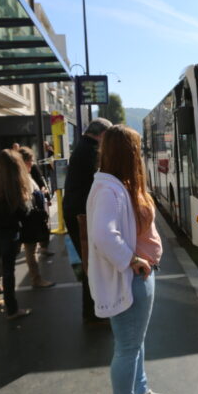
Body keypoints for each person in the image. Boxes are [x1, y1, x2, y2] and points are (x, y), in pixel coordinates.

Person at [87, 125, 171, 394]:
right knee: (127, 347)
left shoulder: (117, 185)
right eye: (137, 149)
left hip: (140, 274)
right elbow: (102, 234)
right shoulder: (110, 190)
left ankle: (141, 392)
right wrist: (132, 260)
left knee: (136, 343)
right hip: (133, 277)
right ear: (129, 153)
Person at [63, 118, 113, 324]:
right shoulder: (91, 151)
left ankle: (92, 311)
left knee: (89, 262)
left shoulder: (82, 146)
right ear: (101, 135)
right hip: (81, 215)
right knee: (91, 263)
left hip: (75, 211)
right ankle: (93, 314)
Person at [0, 149, 32, 320]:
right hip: (8, 231)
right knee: (8, 270)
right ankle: (12, 308)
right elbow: (22, 210)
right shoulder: (14, 180)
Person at [17, 147, 54, 289]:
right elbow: (26, 198)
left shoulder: (24, 174)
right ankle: (36, 279)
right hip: (27, 221)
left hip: (27, 220)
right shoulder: (21, 177)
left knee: (22, 252)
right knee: (29, 252)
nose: (32, 164)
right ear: (24, 162)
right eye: (30, 161)